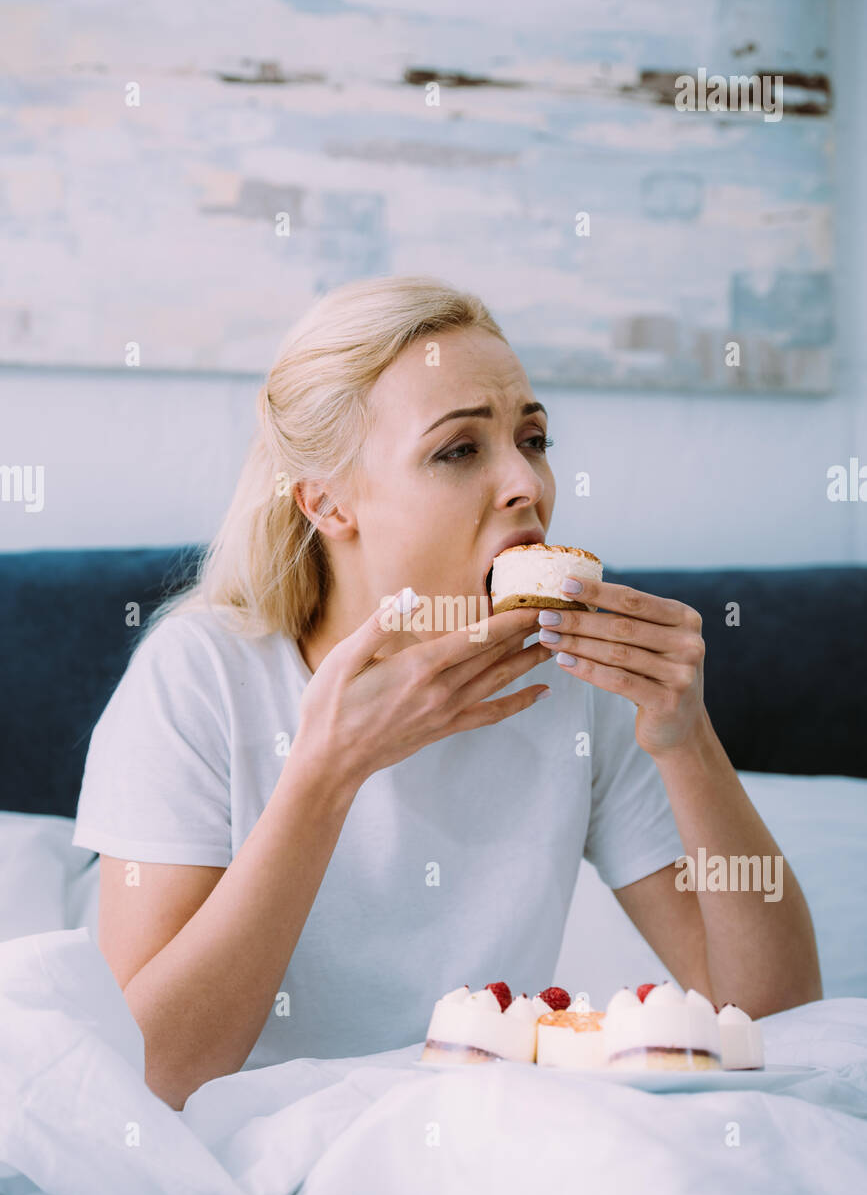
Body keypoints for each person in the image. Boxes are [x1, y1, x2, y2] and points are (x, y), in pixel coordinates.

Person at [72, 275, 821, 1109]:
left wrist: (688, 740)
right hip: (251, 1140)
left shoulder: (581, 677)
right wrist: (328, 774)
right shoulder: (202, 675)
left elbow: (773, 1018)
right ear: (328, 503)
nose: (526, 486)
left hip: (484, 1132)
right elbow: (144, 1077)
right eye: (459, 450)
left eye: (531, 438)